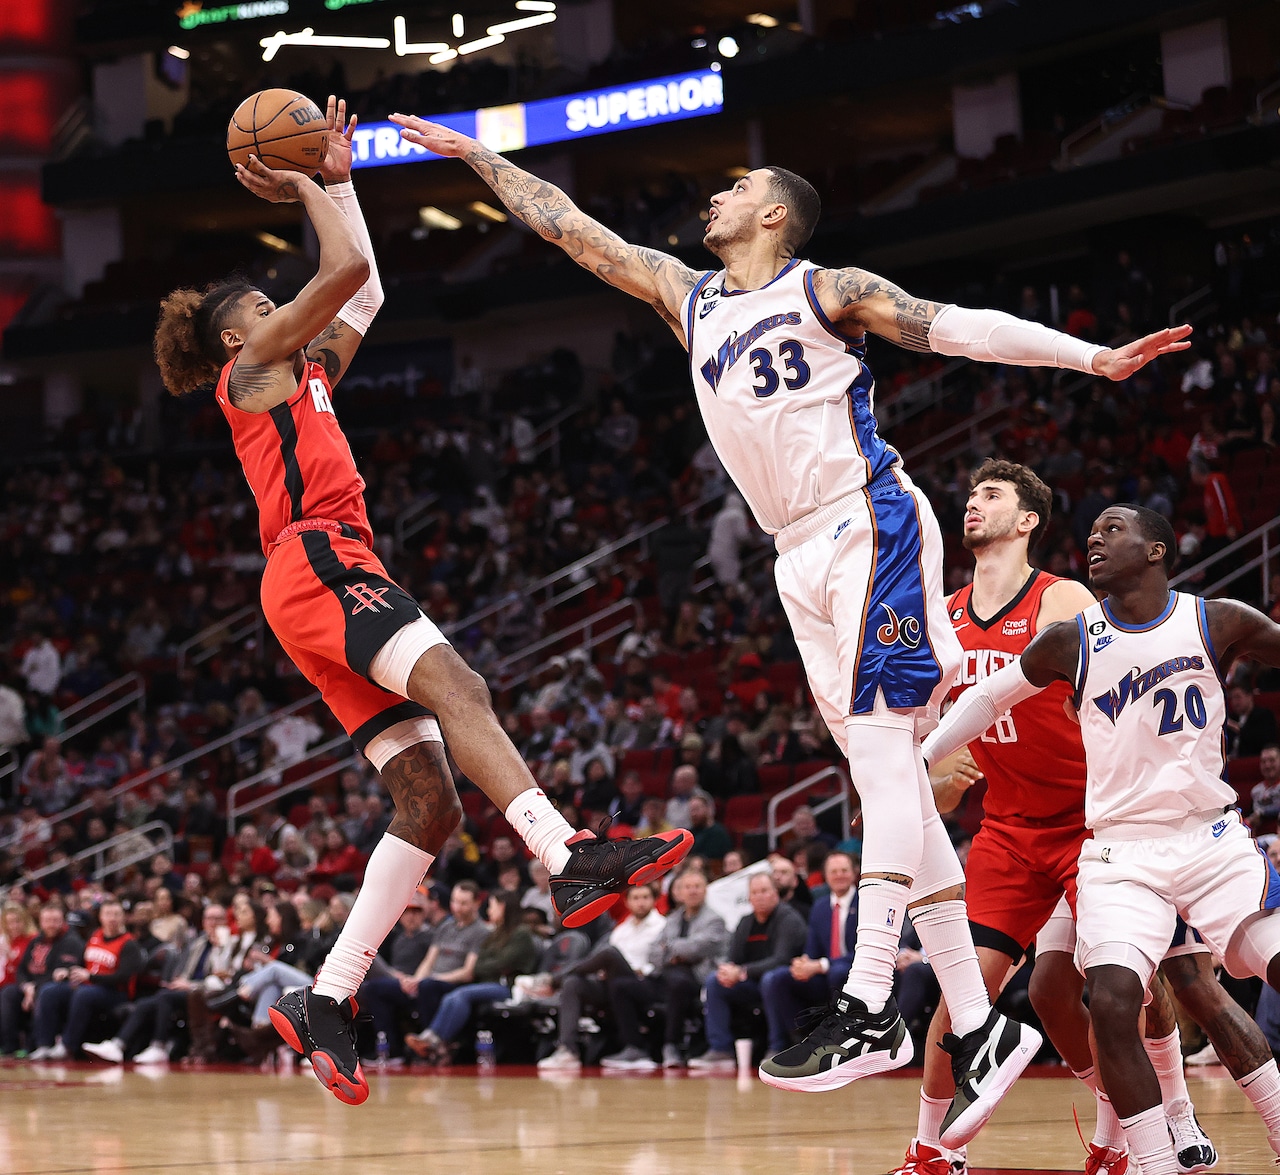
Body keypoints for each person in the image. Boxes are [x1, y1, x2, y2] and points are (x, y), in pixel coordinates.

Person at [389, 111, 1188, 1140]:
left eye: (732, 187)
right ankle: (980, 1023)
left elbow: (953, 322)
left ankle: (866, 1000)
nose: (711, 199)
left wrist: (1090, 360)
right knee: (881, 765)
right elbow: (569, 228)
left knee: (884, 757)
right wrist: (478, 158)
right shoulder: (689, 297)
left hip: (867, 521)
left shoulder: (825, 288)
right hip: (792, 554)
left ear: (772, 211)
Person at [152, 97, 691, 1103]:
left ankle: (326, 993)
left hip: (313, 577)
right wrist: (304, 179)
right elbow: (341, 273)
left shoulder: (301, 372)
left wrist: (342, 173)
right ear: (239, 330)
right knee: (460, 680)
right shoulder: (256, 363)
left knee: (430, 800)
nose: (284, 307)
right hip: (319, 561)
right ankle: (566, 851)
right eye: (266, 302)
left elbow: (367, 290)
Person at [923, 504, 1280, 1169]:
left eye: (1114, 529)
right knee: (1110, 997)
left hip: (1206, 839)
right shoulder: (1073, 638)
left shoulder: (1216, 617)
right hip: (1117, 848)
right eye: (1091, 531)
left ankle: (1239, 1121)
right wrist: (919, 764)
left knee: (1211, 981)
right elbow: (985, 700)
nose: (1095, 536)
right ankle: (1148, 1158)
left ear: (1157, 550)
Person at [601, 869, 728, 1070]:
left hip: (696, 980)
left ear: (706, 890)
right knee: (621, 986)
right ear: (680, 892)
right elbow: (653, 951)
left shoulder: (714, 920)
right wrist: (675, 953)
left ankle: (672, 1046)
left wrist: (669, 948)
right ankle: (635, 1047)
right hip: (664, 976)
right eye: (688, 887)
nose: (693, 891)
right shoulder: (673, 918)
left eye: (697, 886)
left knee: (678, 982)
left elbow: (697, 947)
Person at [537, 883, 667, 1071]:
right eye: (636, 898)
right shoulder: (623, 928)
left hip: (641, 982)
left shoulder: (661, 926)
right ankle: (568, 1051)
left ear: (654, 900)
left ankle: (552, 980)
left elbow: (661, 960)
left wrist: (643, 969)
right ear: (627, 902)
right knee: (574, 983)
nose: (640, 903)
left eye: (645, 898)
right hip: (613, 982)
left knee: (609, 953)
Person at [403, 890, 540, 1064]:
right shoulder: (496, 933)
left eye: (491, 906)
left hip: (508, 986)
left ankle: (436, 1040)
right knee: (454, 995)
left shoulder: (520, 933)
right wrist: (491, 965)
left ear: (503, 907)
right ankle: (435, 1039)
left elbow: (501, 962)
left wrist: (490, 965)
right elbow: (481, 964)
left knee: (461, 994)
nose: (489, 911)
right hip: (489, 983)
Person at [84, 903, 230, 1064]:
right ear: (203, 921)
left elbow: (223, 976)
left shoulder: (230, 943)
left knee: (164, 997)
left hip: (208, 991)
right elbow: (182, 969)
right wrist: (178, 981)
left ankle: (159, 1046)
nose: (213, 923)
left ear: (226, 921)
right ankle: (117, 1046)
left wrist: (219, 948)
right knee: (145, 1004)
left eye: (218, 919)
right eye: (209, 918)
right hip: (186, 988)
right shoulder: (198, 942)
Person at [690, 872, 807, 1070]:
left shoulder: (788, 919)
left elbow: (781, 959)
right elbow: (734, 959)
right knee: (714, 981)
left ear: (775, 893)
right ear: (749, 898)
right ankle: (721, 1050)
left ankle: (777, 1046)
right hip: (754, 983)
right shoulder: (746, 922)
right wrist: (728, 971)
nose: (760, 896)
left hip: (786, 983)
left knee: (771, 979)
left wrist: (742, 971)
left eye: (764, 891)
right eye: (755, 892)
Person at [760, 851, 858, 1057]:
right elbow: (812, 949)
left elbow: (861, 952)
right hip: (822, 974)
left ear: (854, 873)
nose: (839, 875)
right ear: (825, 875)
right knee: (775, 979)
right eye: (834, 871)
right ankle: (788, 1042)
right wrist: (803, 963)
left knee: (837, 972)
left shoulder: (865, 903)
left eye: (844, 870)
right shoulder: (820, 907)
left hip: (853, 973)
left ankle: (838, 1039)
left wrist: (820, 965)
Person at [31, 899, 143, 1060]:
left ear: (123, 918)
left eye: (116, 914)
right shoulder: (94, 936)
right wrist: (68, 971)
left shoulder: (129, 944)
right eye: (108, 914)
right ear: (101, 918)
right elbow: (82, 963)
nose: (112, 918)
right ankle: (44, 1045)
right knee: (49, 991)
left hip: (115, 992)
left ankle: (67, 1046)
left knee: (83, 994)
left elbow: (123, 977)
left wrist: (90, 977)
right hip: (89, 986)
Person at [0, 903, 83, 1057]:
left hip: (58, 988)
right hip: (33, 987)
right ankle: (9, 1046)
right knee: (8, 992)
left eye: (55, 920)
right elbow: (22, 969)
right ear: (41, 922)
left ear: (62, 920)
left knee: (46, 991)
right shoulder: (37, 940)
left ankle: (41, 1044)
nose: (50, 924)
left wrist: (33, 988)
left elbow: (59, 974)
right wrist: (26, 986)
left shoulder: (72, 941)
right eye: (47, 920)